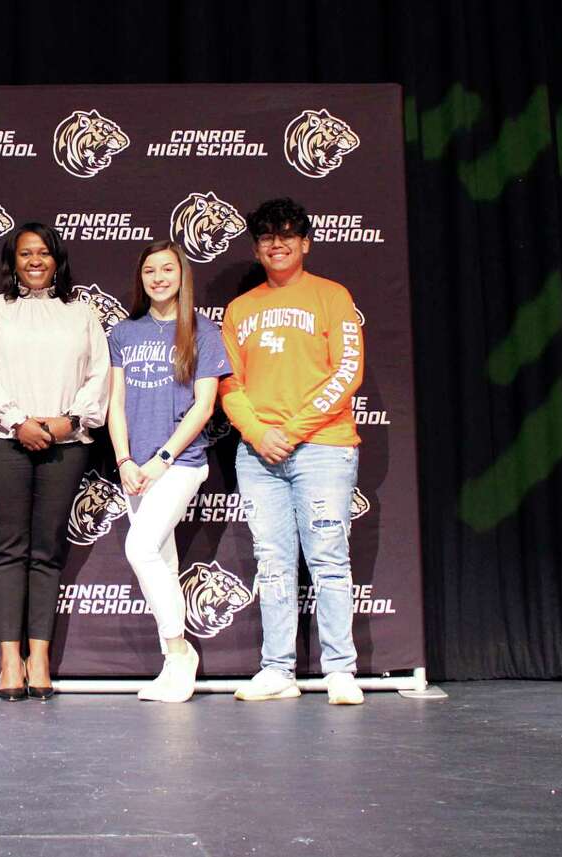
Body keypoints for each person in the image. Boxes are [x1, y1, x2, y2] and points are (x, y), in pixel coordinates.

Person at [219, 197, 366, 705]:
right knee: (273, 562)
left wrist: (295, 429)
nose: (276, 244)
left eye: (286, 235)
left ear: (305, 242)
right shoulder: (240, 309)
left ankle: (340, 671)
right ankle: (277, 669)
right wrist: (259, 434)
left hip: (322, 447)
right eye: (266, 237)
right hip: (259, 455)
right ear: (257, 248)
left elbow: (347, 371)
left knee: (328, 558)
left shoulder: (333, 297)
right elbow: (228, 385)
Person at [0, 223, 110, 700]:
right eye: (25, 253)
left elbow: (98, 374)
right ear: (12, 260)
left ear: (56, 259)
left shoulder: (81, 312)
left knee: (46, 552)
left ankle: (40, 658)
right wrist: (16, 421)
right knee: (8, 550)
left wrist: (69, 421)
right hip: (1, 439)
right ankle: (10, 661)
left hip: (66, 442)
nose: (34, 261)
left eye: (43, 253)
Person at [107, 240, 227, 703]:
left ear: (182, 276)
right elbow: (115, 403)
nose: (158, 278)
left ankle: (180, 654)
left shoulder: (201, 330)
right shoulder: (124, 332)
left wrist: (162, 459)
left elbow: (205, 405)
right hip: (134, 467)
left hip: (179, 464)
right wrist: (124, 460)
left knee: (139, 548)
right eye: (150, 271)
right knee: (164, 559)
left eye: (167, 269)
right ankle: (171, 667)